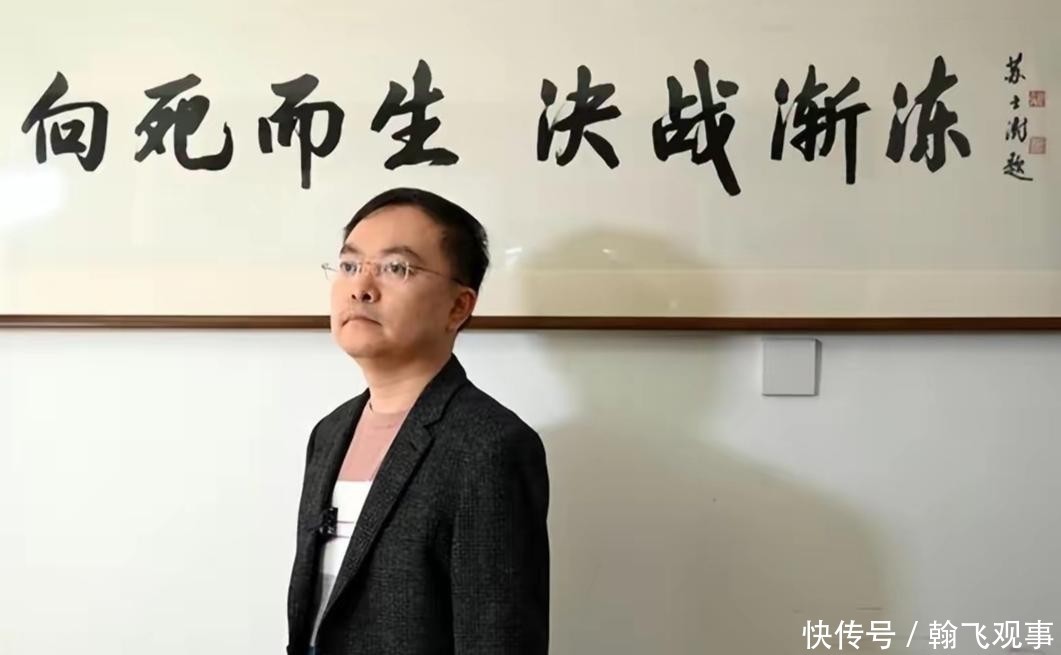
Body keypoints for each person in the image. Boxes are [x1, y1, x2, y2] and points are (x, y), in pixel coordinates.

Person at [285, 187, 550, 655]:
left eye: (396, 268)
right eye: (349, 265)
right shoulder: (329, 433)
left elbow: (499, 640)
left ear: (458, 306)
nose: (361, 287)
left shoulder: (490, 446)